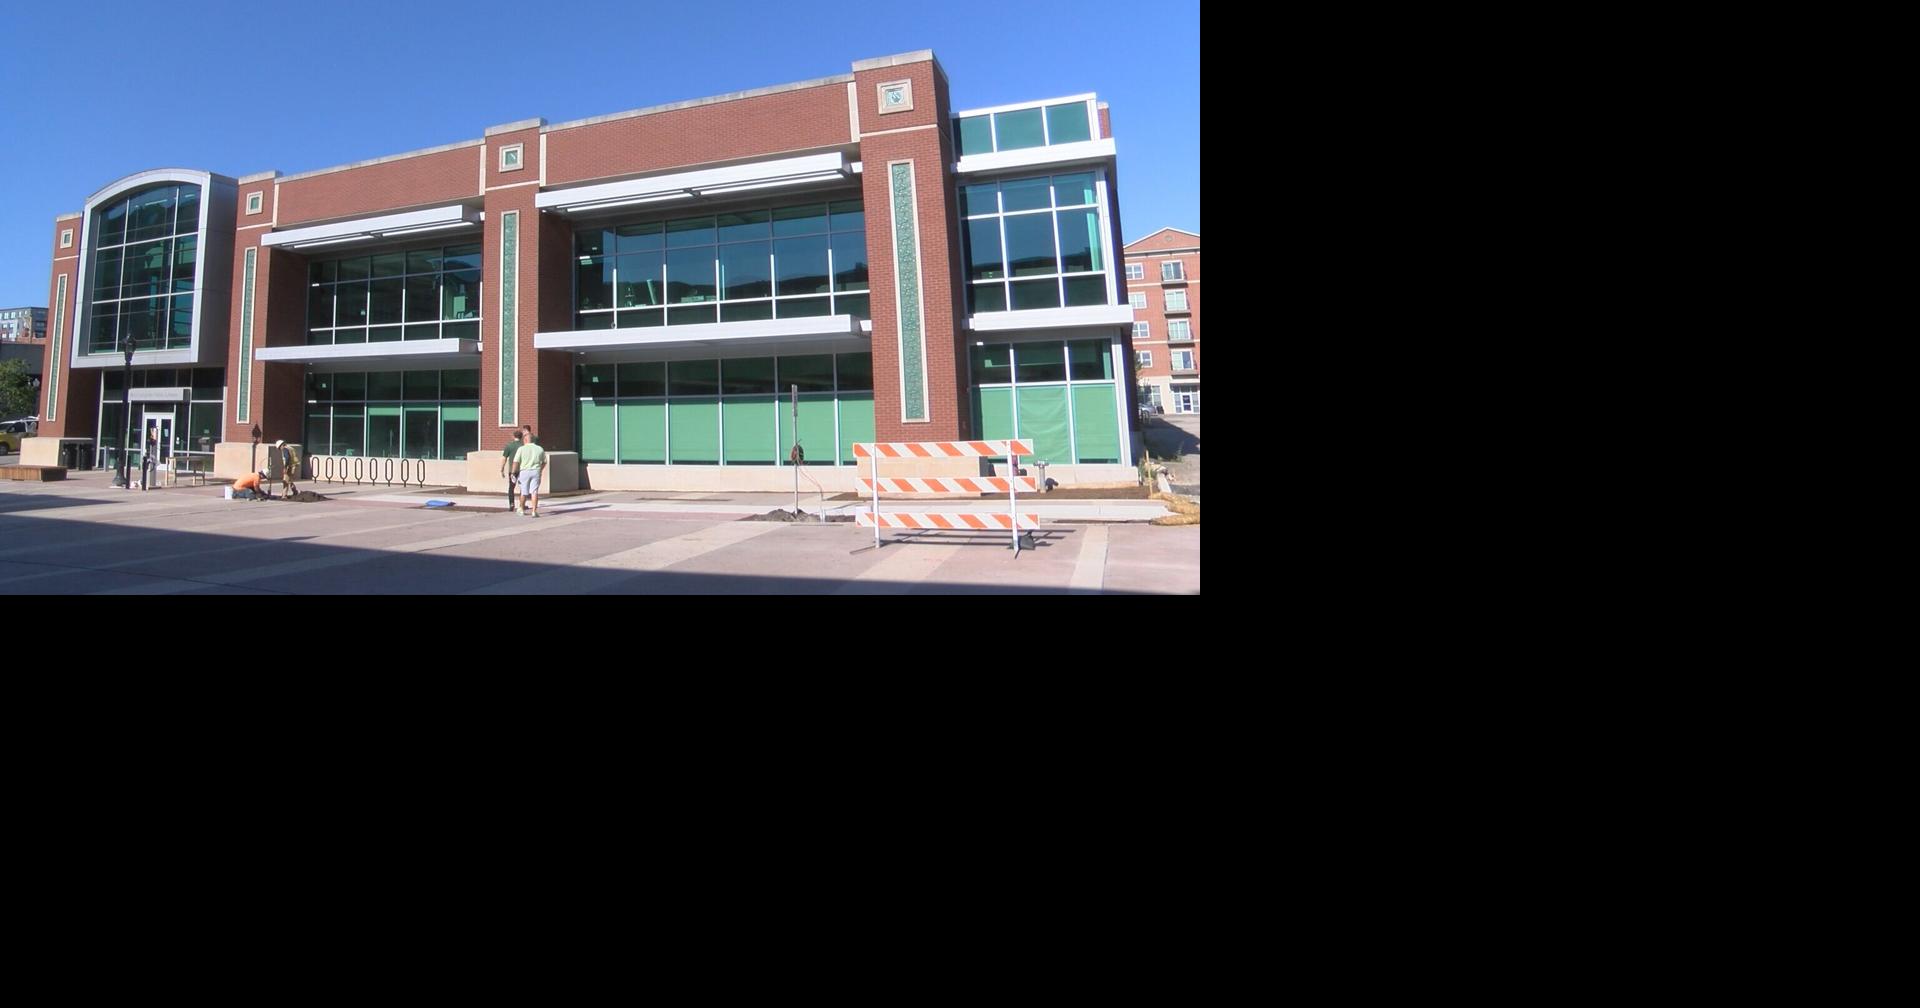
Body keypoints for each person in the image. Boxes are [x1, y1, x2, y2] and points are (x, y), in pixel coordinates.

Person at [512, 426, 547, 518]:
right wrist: (540, 469)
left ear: (526, 440)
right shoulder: (540, 449)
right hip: (536, 471)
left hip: (524, 471)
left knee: (524, 491)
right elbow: (544, 462)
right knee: (534, 491)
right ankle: (534, 511)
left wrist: (513, 472)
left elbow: (516, 461)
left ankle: (521, 508)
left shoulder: (521, 449)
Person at [500, 429, 523, 512]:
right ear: (521, 437)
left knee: (511, 487)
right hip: (522, 469)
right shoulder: (523, 445)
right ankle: (522, 504)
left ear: (514, 436)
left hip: (512, 470)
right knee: (522, 487)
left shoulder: (509, 446)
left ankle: (511, 504)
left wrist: (502, 469)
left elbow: (504, 458)